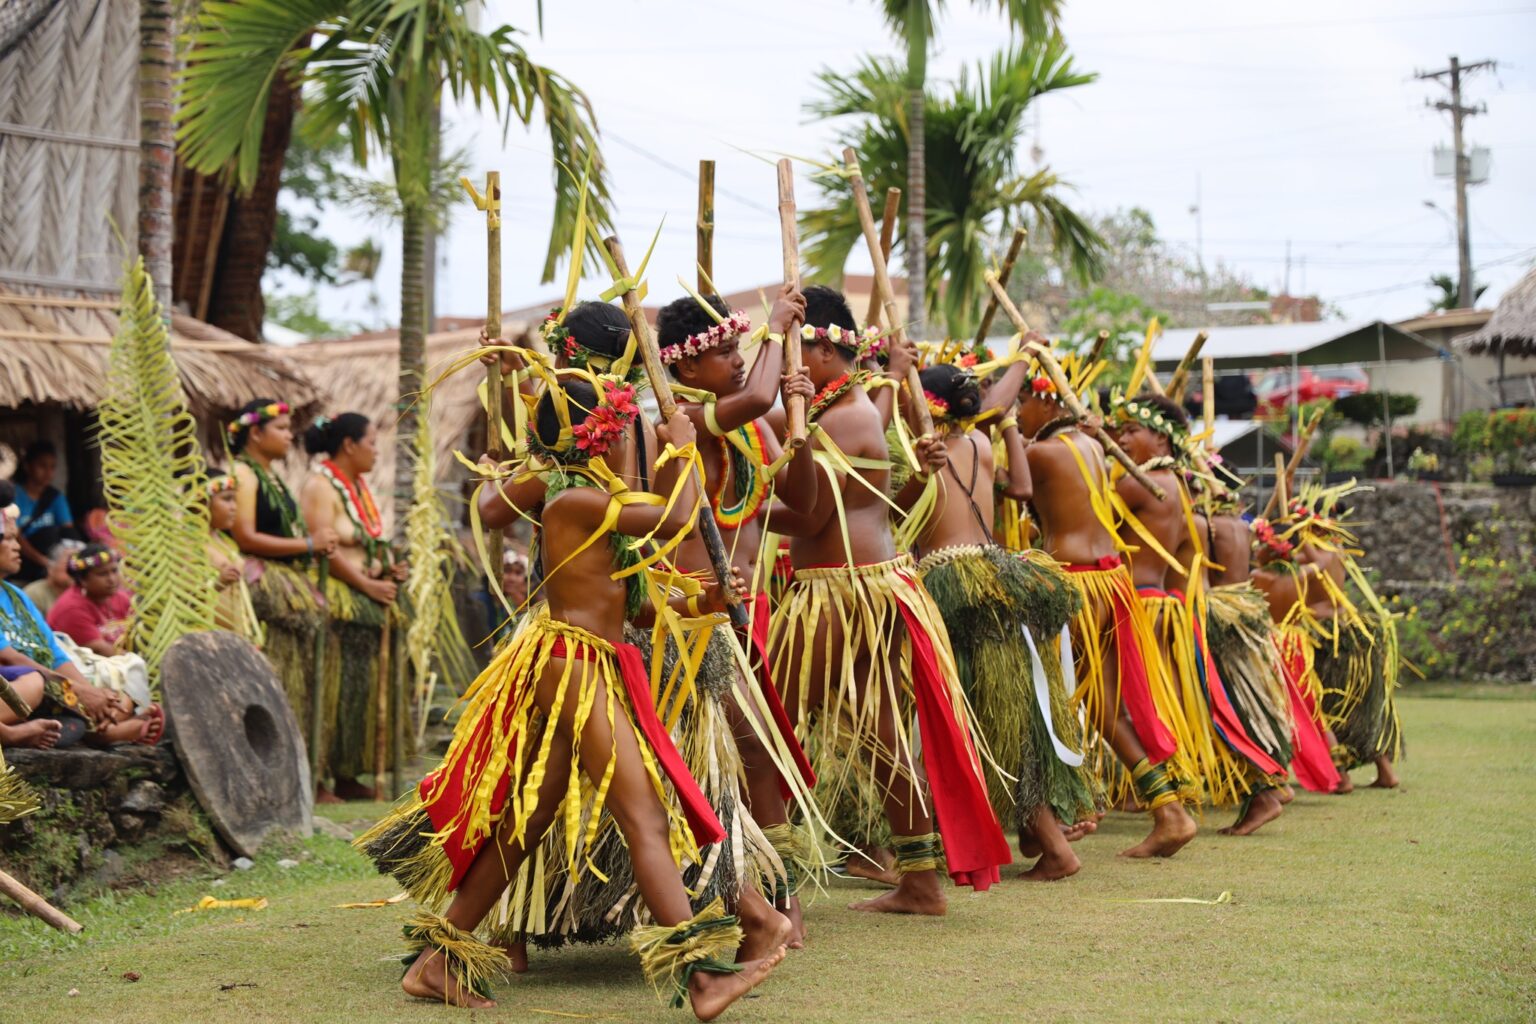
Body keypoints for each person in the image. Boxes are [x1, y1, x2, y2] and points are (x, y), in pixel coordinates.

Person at [360, 374, 786, 1015]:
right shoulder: (573, 502)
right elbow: (675, 519)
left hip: (588, 666)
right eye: (624, 433)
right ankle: (701, 976)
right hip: (573, 667)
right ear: (602, 440)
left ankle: (438, 960)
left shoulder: (600, 507)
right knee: (644, 813)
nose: (630, 444)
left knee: (527, 822)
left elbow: (638, 607)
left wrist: (710, 599)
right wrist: (683, 448)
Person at [767, 285, 1012, 914]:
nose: (794, 362)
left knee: (769, 730)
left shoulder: (841, 417)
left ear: (822, 348)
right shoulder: (852, 410)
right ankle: (920, 879)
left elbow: (812, 514)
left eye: (800, 348)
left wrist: (733, 511)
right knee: (880, 734)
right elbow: (876, 507)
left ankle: (770, 893)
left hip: (839, 591)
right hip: (873, 582)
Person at [658, 285, 824, 939]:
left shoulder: (755, 425)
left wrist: (799, 426)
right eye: (722, 349)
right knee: (732, 755)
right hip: (694, 619)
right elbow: (753, 393)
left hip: (747, 616)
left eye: (736, 346)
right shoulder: (685, 419)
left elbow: (803, 509)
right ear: (684, 367)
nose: (733, 358)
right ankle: (740, 899)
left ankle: (779, 899)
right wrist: (775, 329)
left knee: (761, 756)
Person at [908, 361, 1098, 880]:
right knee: (1011, 713)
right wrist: (1010, 419)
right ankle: (1040, 837)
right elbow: (1021, 486)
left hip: (954, 586)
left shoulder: (922, 452)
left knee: (988, 721)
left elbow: (896, 511)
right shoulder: (982, 445)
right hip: (996, 573)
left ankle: (1054, 848)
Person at [1017, 368, 1197, 858]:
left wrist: (1000, 432)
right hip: (1111, 582)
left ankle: (1060, 816)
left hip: (1071, 582)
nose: (1016, 412)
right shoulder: (1095, 449)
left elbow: (1009, 488)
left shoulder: (1039, 451)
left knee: (1042, 700)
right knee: (1104, 708)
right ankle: (1170, 811)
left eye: (1020, 402)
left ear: (1045, 400)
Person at [227, 399, 337, 766]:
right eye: (282, 429)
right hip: (261, 584)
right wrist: (308, 544)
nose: (291, 436)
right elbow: (244, 537)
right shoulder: (243, 474)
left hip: (286, 577)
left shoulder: (269, 475)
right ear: (255, 433)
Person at [301, 412, 405, 802]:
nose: (377, 451)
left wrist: (387, 567)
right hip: (336, 599)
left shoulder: (359, 487)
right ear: (349, 445)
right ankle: (318, 777)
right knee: (330, 688)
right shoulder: (319, 485)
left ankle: (347, 774)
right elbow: (323, 546)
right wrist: (365, 583)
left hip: (367, 595)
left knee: (357, 691)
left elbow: (365, 541)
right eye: (371, 442)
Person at [0, 508, 161, 746]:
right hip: (25, 683)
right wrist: (76, 690)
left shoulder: (17, 596)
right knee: (34, 684)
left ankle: (100, 726)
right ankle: (107, 732)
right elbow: (10, 659)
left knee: (118, 698)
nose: (18, 546)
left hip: (51, 684)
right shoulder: (71, 607)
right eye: (9, 538)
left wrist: (90, 693)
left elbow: (55, 655)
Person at [45, 544, 132, 657]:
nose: (112, 579)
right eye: (102, 574)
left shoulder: (120, 597)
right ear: (82, 580)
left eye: (114, 571)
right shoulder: (71, 609)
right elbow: (101, 651)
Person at [205, 473, 262, 643]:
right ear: (202, 502)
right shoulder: (188, 544)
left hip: (236, 639)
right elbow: (183, 599)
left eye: (235, 500)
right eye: (227, 499)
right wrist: (218, 583)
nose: (234, 507)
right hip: (208, 640)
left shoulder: (227, 544)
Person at [12, 440, 75, 583]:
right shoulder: (15, 495)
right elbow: (16, 536)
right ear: (28, 466)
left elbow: (68, 531)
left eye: (52, 467)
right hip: (25, 561)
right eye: (42, 466)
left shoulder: (55, 497)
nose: (48, 472)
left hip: (52, 559)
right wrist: (44, 561)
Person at [24, 539, 84, 617]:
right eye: (69, 564)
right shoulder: (34, 594)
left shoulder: (85, 593)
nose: (74, 570)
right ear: (50, 567)